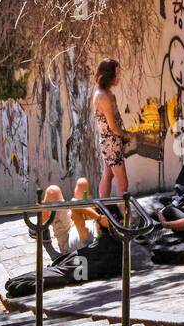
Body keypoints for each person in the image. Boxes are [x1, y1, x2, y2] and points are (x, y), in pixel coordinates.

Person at [92, 58, 132, 200]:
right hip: (111, 143)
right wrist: (126, 135)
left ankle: (103, 209)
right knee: (123, 183)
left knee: (108, 175)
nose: (119, 76)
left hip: (111, 142)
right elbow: (113, 126)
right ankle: (123, 214)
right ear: (109, 74)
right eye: (117, 73)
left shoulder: (107, 93)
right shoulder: (103, 96)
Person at [41, 179, 102, 257]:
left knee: (52, 191)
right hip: (88, 222)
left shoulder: (87, 235)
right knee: (82, 183)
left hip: (69, 234)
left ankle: (37, 228)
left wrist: (99, 218)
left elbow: (76, 209)